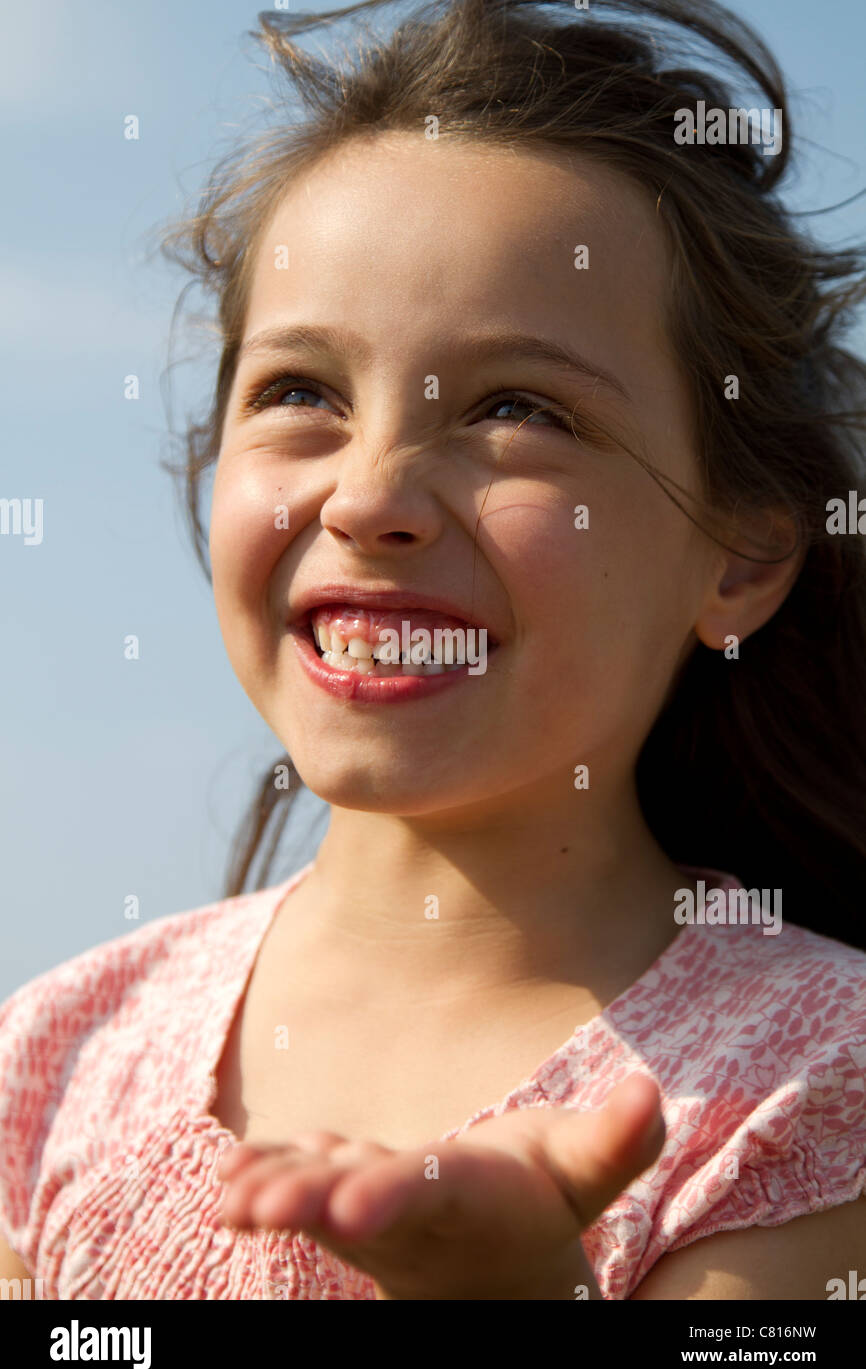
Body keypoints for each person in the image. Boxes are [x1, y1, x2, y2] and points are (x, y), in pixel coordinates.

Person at [1, 0, 865, 1300]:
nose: (368, 496)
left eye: (517, 408)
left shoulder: (810, 1083)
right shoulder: (56, 1055)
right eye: (301, 394)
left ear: (737, 557)